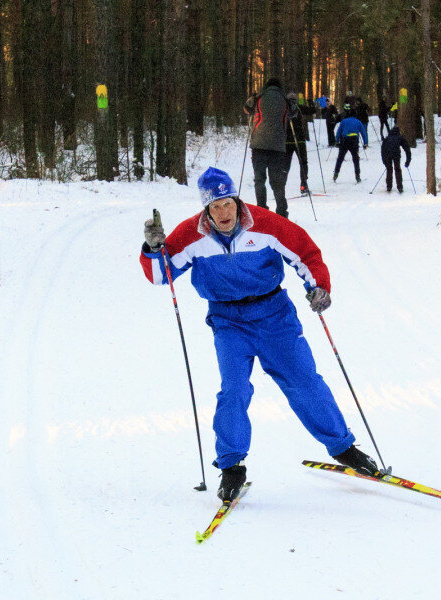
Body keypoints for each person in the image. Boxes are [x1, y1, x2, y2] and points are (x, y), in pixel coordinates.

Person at [140, 167, 380, 501]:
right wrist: (153, 248)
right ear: (206, 208)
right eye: (215, 206)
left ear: (236, 200)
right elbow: (160, 276)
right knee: (234, 390)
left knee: (303, 381)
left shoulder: (265, 224)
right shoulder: (190, 234)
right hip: (228, 320)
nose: (223, 212)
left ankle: (343, 448)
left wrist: (318, 286)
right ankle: (231, 466)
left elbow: (306, 253)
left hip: (274, 315)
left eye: (228, 203)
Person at [244, 78, 290, 217]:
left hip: (258, 145)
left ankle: (262, 210)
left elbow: (247, 109)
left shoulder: (259, 98)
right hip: (277, 146)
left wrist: (251, 98)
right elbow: (294, 113)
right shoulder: (285, 100)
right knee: (277, 182)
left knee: (259, 179)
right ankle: (281, 212)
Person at [285, 92, 315, 195]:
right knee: (303, 163)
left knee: (285, 164)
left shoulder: (283, 109)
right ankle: (303, 186)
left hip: (287, 141)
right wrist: (311, 103)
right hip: (300, 140)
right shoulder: (299, 108)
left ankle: (281, 188)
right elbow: (312, 111)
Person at [332, 105, 368, 183]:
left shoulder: (344, 121)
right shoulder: (358, 121)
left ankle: (336, 173)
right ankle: (357, 176)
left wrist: (336, 141)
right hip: (354, 141)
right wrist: (365, 143)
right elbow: (363, 133)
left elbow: (339, 132)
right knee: (355, 158)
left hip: (344, 140)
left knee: (340, 158)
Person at [380, 125, 411, 193]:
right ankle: (400, 187)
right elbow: (407, 149)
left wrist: (384, 161)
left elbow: (382, 150)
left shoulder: (387, 138)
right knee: (397, 169)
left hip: (387, 154)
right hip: (396, 154)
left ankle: (389, 186)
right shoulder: (400, 138)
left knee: (389, 169)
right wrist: (408, 161)